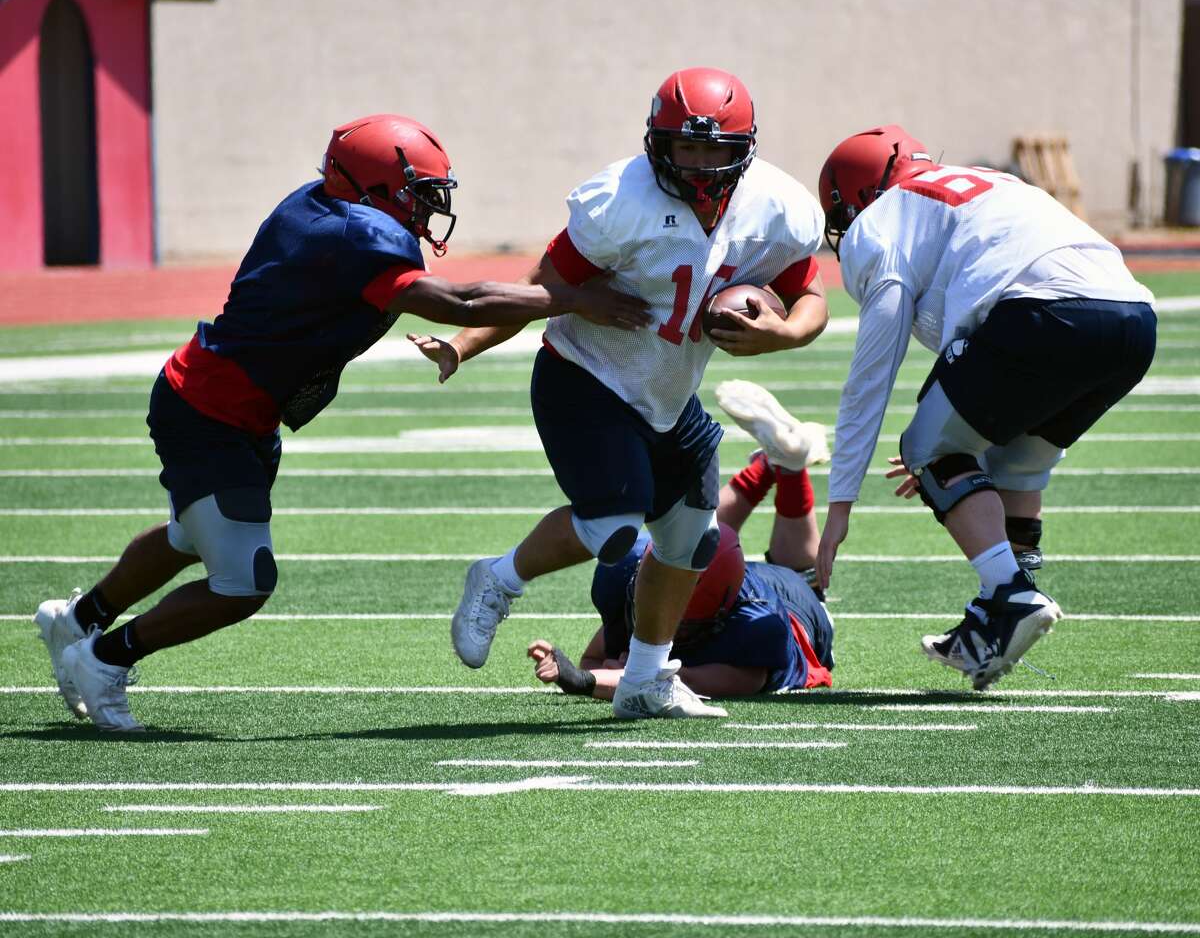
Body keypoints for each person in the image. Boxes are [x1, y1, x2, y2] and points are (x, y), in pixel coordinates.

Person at [33, 113, 650, 732]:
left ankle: (81, 617)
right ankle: (104, 658)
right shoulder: (359, 237)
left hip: (223, 400)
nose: (429, 204)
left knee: (191, 537)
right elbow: (459, 302)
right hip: (211, 412)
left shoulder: (323, 205)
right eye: (417, 191)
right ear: (372, 188)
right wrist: (570, 298)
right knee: (243, 582)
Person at [413, 67, 828, 719]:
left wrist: (782, 336)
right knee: (613, 518)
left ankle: (644, 681)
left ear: (742, 148)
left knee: (692, 538)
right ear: (658, 143)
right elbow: (540, 282)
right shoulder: (621, 204)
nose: (697, 163)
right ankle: (498, 579)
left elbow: (809, 296)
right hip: (584, 374)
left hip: (667, 392)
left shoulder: (775, 207)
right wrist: (464, 345)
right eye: (685, 146)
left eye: (713, 149)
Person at [813, 125, 1156, 690]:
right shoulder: (987, 183)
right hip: (1133, 320)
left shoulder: (878, 224)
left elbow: (871, 374)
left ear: (851, 200)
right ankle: (1000, 619)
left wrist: (843, 501)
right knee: (1017, 459)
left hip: (1045, 317)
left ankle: (1010, 593)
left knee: (928, 447)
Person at [528, 409, 835, 701]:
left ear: (720, 618)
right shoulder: (636, 578)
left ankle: (782, 466)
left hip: (795, 607)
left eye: (682, 621)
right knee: (695, 537)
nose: (670, 623)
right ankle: (778, 463)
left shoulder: (758, 631)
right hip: (730, 579)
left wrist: (584, 678)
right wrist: (604, 670)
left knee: (804, 581)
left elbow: (659, 682)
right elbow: (596, 659)